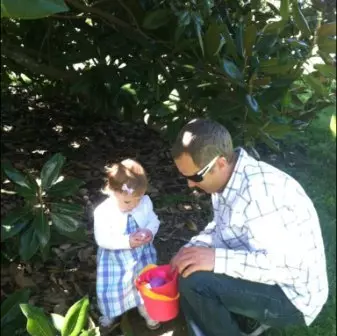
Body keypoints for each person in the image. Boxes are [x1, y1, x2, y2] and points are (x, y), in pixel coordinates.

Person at [170, 119, 329, 336]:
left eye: (195, 176)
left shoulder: (260, 195)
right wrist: (191, 249)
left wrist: (216, 259)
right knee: (188, 269)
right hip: (268, 272)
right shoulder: (228, 181)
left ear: (220, 163)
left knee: (194, 282)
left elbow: (278, 266)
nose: (190, 184)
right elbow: (221, 227)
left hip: (292, 296)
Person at [94, 159, 161, 330]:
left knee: (145, 283)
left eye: (138, 200)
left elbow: (153, 220)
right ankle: (111, 312)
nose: (134, 206)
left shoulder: (144, 203)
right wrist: (126, 241)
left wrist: (149, 231)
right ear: (112, 191)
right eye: (127, 202)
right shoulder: (104, 212)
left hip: (142, 256)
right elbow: (102, 239)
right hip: (116, 259)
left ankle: (148, 310)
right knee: (114, 289)